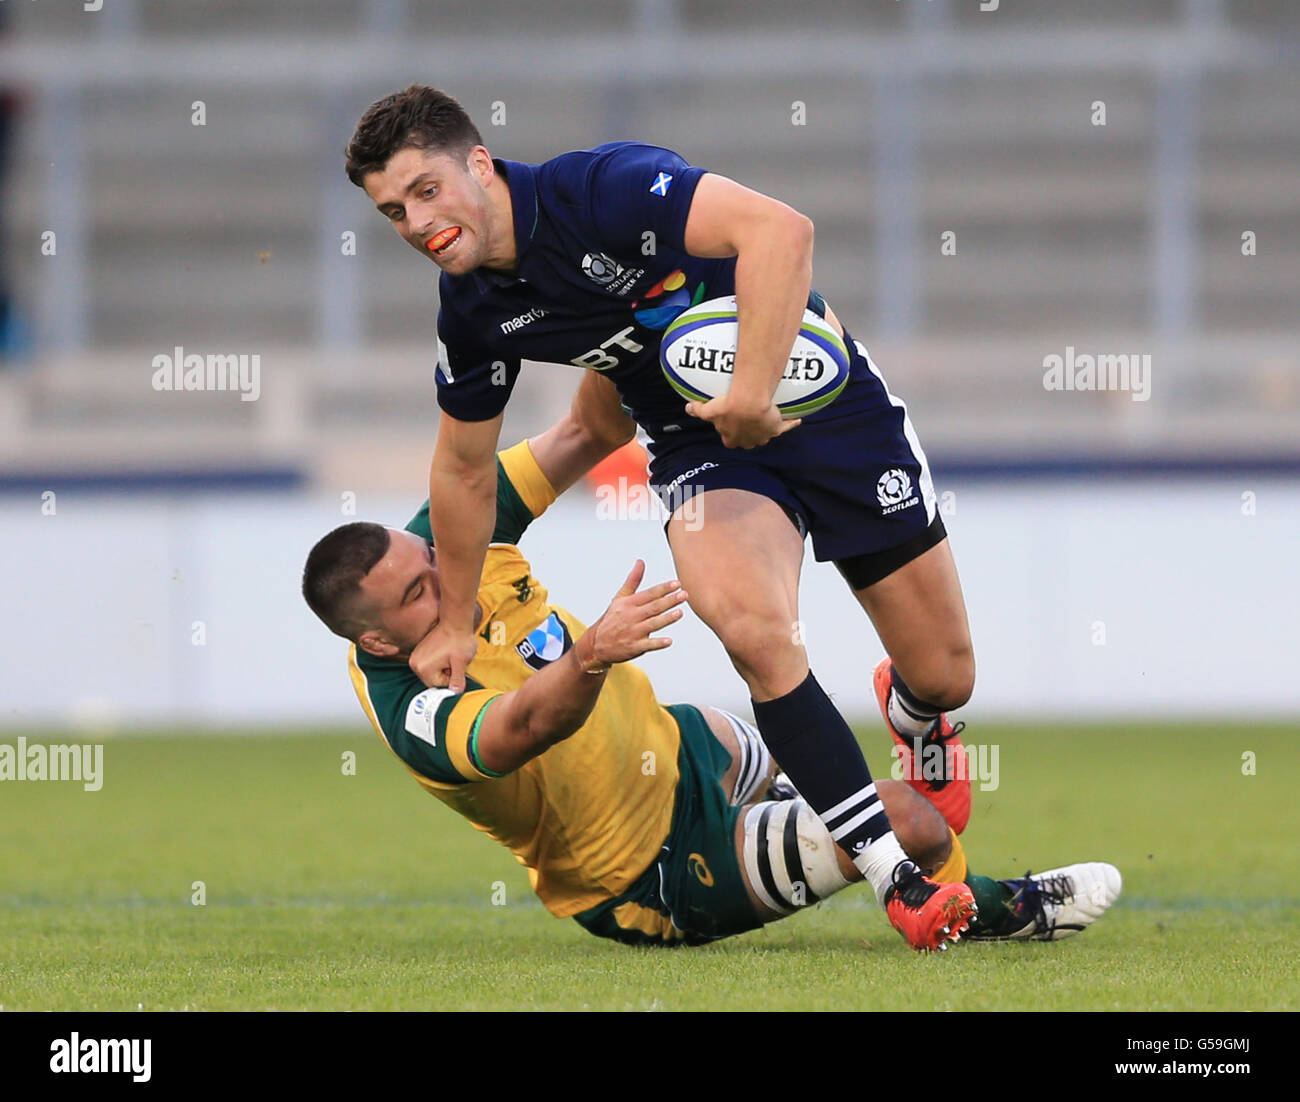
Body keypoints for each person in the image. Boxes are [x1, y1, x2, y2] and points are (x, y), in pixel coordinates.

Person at [343, 85, 981, 944]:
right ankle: (891, 875)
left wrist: (753, 388)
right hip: (696, 441)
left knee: (945, 671)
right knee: (752, 628)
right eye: (392, 212)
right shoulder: (474, 313)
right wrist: (454, 621)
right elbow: (461, 470)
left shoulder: (601, 190)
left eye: (426, 191)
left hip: (817, 398)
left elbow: (781, 232)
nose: (417, 223)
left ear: (480, 166)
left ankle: (917, 716)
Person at [301, 392, 1122, 949]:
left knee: (842, 770)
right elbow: (523, 726)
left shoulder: (453, 541)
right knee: (908, 825)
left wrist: (611, 310)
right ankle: (1012, 911)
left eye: (432, 557)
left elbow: (587, 432)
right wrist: (590, 655)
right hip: (647, 869)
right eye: (415, 592)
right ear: (377, 643)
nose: (444, 576)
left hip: (692, 744)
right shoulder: (409, 706)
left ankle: (920, 741)